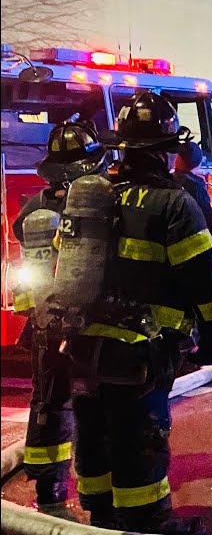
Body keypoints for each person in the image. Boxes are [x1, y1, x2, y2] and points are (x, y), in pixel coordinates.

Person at [66, 92, 212, 532]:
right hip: (142, 346)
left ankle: (98, 515)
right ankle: (146, 521)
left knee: (93, 428)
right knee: (140, 435)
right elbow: (200, 277)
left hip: (83, 341)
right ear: (165, 148)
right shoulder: (174, 203)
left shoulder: (93, 198)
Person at [13, 119, 109, 518]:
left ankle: (49, 486)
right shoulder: (99, 201)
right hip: (90, 322)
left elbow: (20, 231)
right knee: (92, 405)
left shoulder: (37, 206)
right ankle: (97, 496)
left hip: (43, 320)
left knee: (47, 400)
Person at [173, 141, 212, 244]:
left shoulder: (167, 181)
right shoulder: (196, 187)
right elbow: (207, 217)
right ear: (199, 162)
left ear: (178, 158)